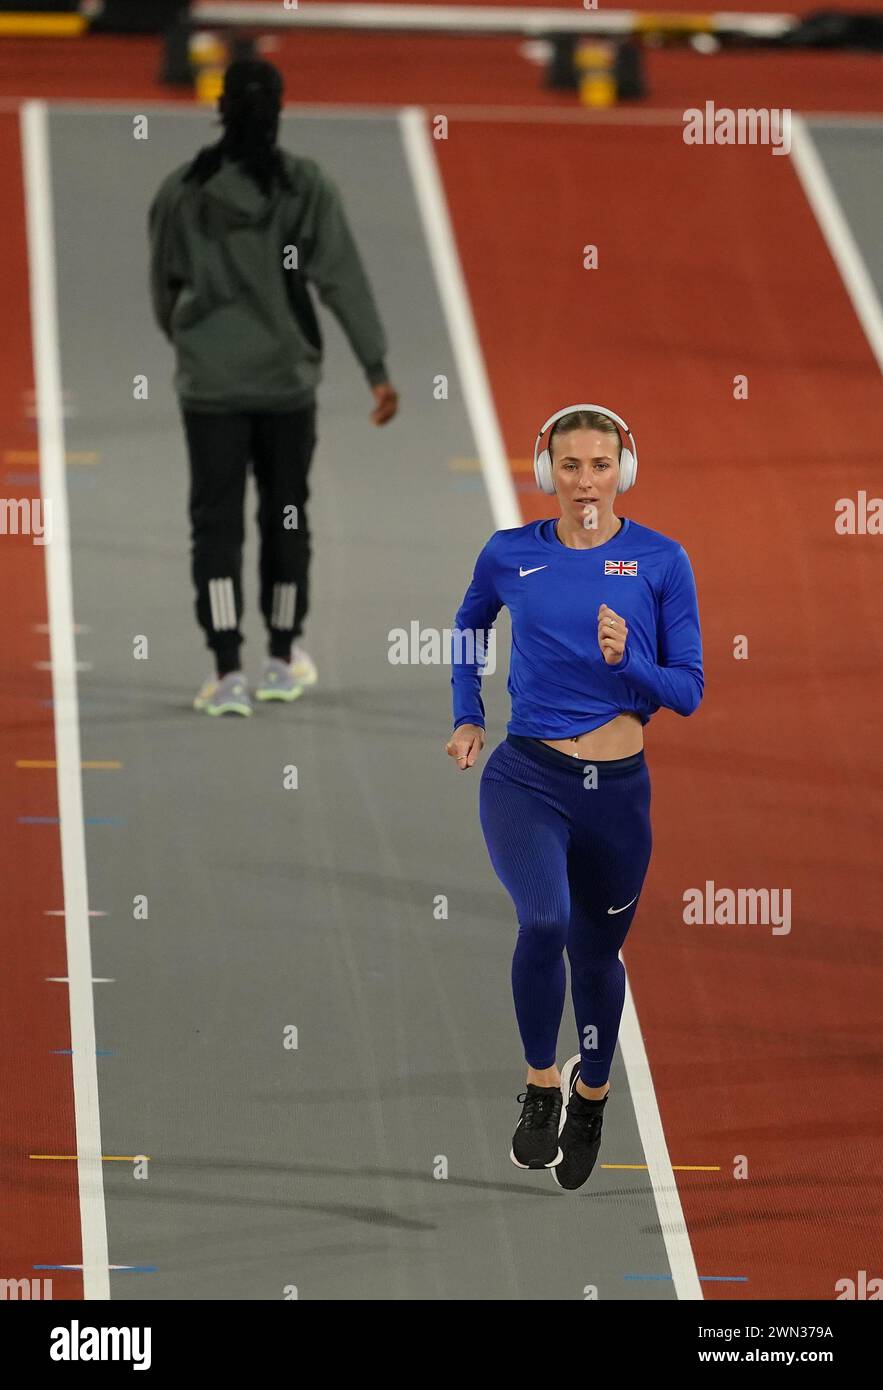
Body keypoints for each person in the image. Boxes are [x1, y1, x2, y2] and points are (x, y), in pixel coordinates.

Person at [445, 405, 704, 1189]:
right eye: (569, 466)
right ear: (544, 471)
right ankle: (538, 1084)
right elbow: (467, 625)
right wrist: (466, 712)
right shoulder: (508, 553)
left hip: (617, 796)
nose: (584, 481)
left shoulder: (661, 561)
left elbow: (687, 691)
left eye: (598, 465)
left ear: (621, 469)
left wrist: (629, 664)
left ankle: (590, 1093)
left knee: (595, 954)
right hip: (527, 777)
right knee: (545, 919)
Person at [148, 59, 398, 716]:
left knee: (215, 527)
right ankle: (282, 659)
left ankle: (227, 670)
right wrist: (375, 368)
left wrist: (199, 350)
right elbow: (341, 278)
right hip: (286, 388)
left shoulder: (181, 192)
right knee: (287, 518)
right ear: (278, 111)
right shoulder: (303, 187)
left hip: (210, 391)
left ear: (219, 107)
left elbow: (163, 288)